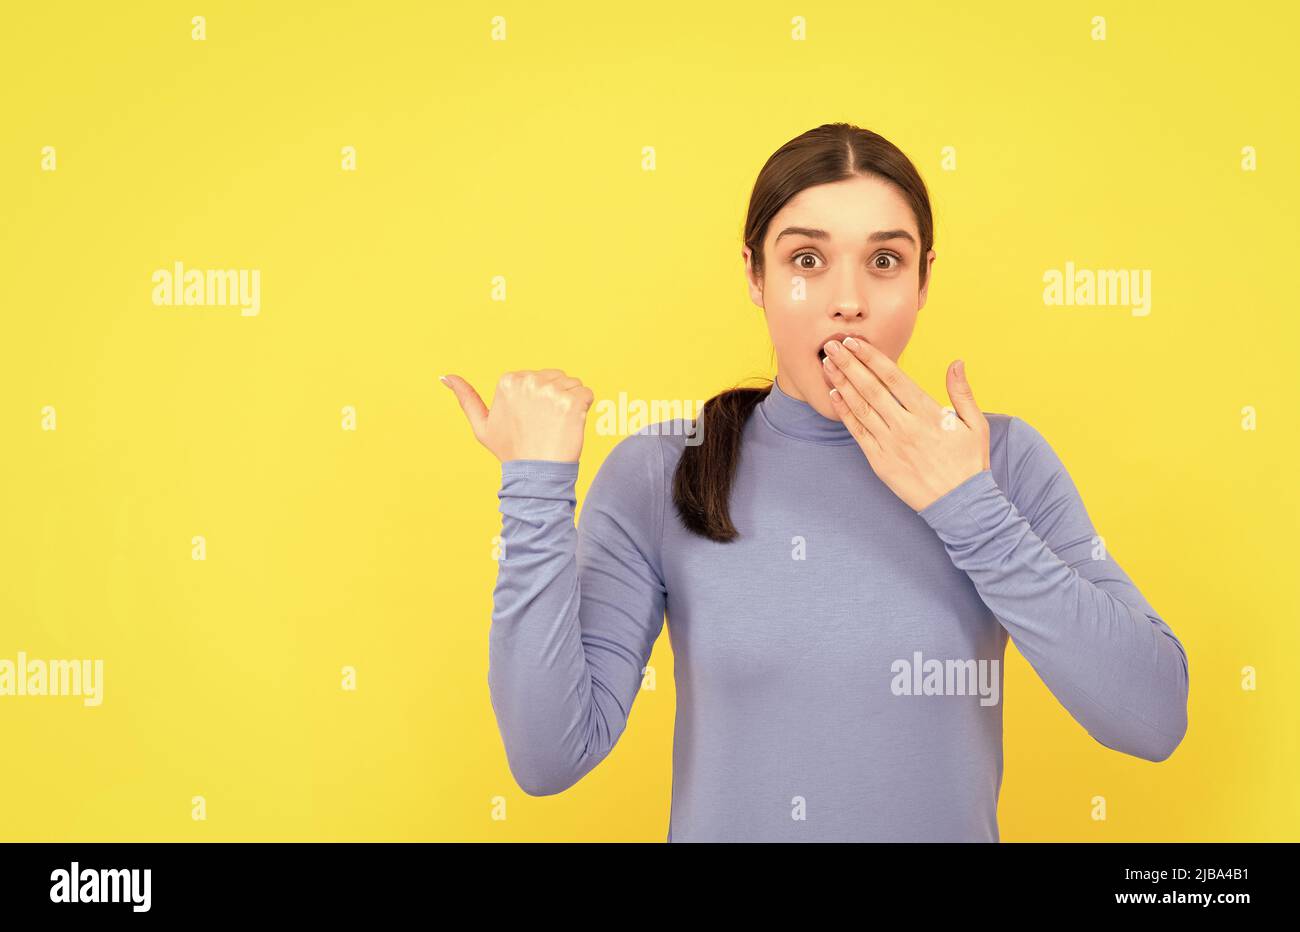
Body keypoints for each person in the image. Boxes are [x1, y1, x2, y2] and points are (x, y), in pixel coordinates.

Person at [442, 122, 1190, 842]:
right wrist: (534, 489)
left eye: (885, 261)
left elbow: (1152, 718)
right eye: (806, 260)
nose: (848, 300)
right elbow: (548, 758)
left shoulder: (1001, 460)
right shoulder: (659, 471)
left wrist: (969, 507)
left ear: (925, 279)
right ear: (754, 276)